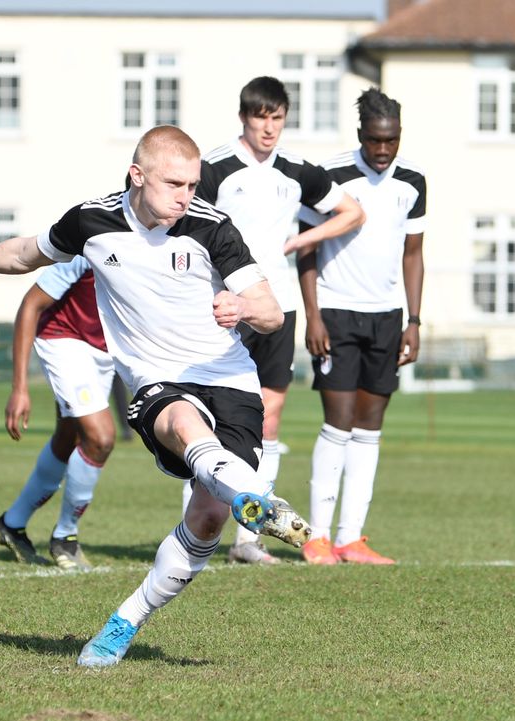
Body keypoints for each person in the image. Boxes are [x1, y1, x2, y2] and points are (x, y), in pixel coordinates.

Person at [0, 124, 311, 668]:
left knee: (206, 521)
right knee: (182, 424)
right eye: (175, 183)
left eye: (194, 184)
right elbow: (22, 254)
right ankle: (261, 503)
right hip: (157, 380)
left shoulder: (213, 228)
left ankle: (126, 619)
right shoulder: (92, 220)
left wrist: (244, 309)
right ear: (138, 175)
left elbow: (271, 310)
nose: (187, 196)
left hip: (229, 378)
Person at [196, 76, 364, 565]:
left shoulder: (295, 170)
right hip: (224, 305)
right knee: (207, 417)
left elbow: (351, 212)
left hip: (278, 307)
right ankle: (198, 524)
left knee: (268, 418)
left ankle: (248, 539)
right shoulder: (216, 167)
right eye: (259, 117)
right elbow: (186, 223)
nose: (268, 128)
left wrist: (301, 241)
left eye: (276, 117)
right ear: (244, 117)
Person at [296, 88, 426, 566]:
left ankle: (351, 539)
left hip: (388, 318)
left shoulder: (413, 180)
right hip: (335, 313)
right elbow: (306, 248)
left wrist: (413, 321)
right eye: (375, 141)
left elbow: (414, 254)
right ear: (360, 136)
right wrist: (312, 315)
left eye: (391, 141)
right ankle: (316, 538)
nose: (384, 150)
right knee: (337, 423)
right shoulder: (331, 176)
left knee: (369, 429)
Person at [0, 256, 116, 570]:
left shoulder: (166, 249)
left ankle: (12, 523)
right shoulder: (89, 245)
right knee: (100, 439)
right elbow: (31, 304)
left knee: (69, 436)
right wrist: (19, 388)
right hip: (64, 338)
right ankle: (66, 537)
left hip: (108, 352)